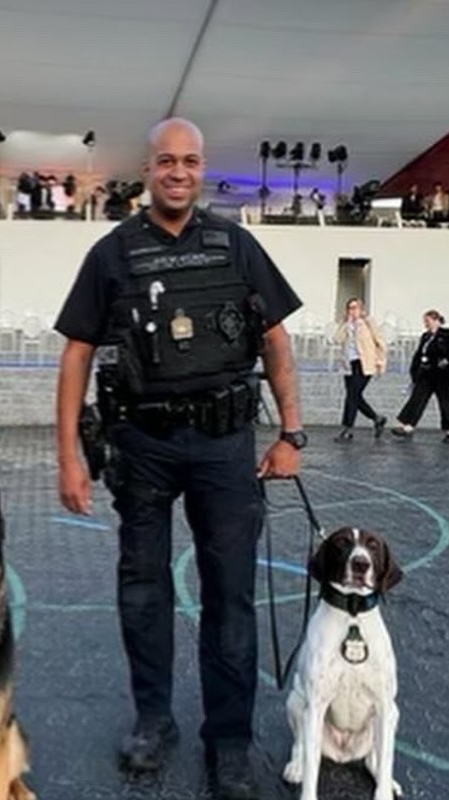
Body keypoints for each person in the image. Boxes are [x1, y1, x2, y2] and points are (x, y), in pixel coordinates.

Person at [54, 117, 304, 800]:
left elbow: (276, 341)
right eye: (166, 160)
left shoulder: (236, 244)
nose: (178, 172)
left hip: (225, 447)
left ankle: (228, 741)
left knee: (230, 598)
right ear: (148, 167)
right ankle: (154, 720)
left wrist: (292, 433)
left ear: (202, 168)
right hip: (143, 445)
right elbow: (76, 352)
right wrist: (68, 456)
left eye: (190, 161)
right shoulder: (113, 252)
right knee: (143, 588)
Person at [390, 310, 449, 443]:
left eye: (428, 321)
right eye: (425, 321)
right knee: (417, 398)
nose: (426, 324)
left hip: (442, 374)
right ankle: (408, 425)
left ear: (436, 320)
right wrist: (414, 371)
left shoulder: (447, 333)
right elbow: (419, 353)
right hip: (427, 372)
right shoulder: (425, 336)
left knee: (445, 402)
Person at [332, 297, 387, 441]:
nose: (352, 311)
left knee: (352, 395)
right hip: (349, 364)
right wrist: (345, 323)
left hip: (364, 363)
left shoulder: (368, 323)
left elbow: (380, 342)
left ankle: (347, 429)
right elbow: (337, 339)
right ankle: (377, 418)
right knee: (354, 396)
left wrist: (380, 363)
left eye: (355, 307)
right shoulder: (347, 324)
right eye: (350, 308)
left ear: (362, 309)